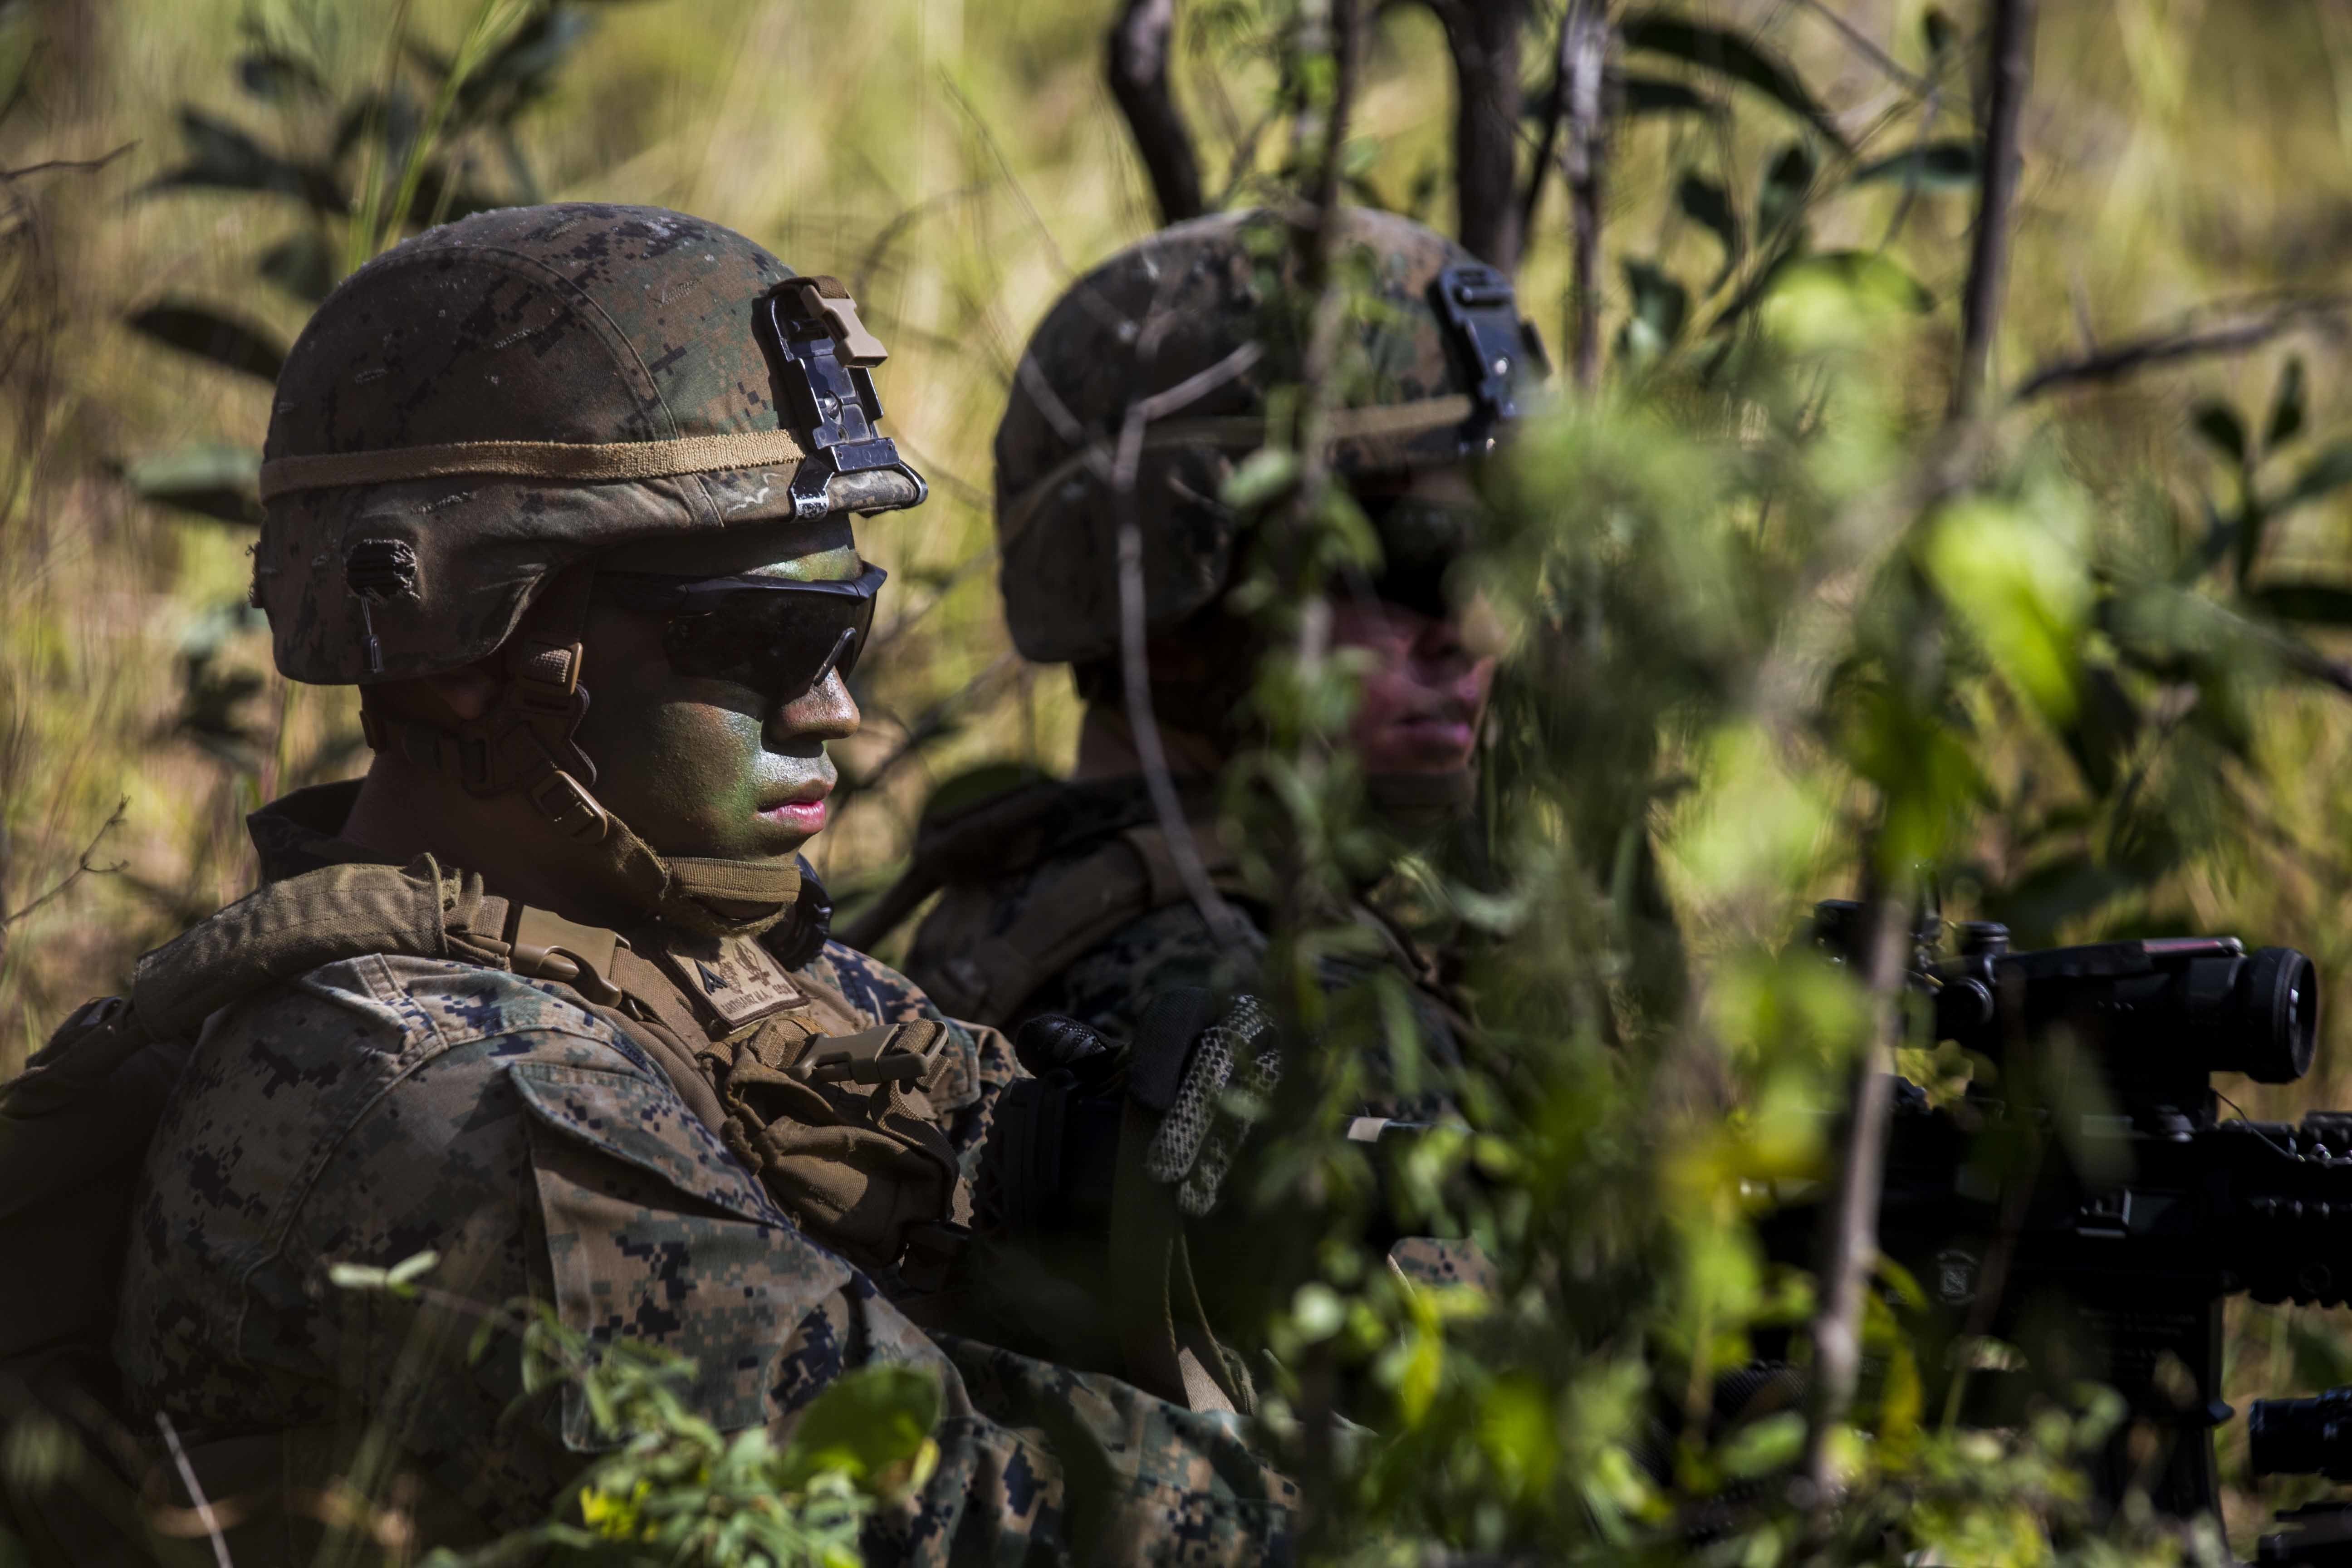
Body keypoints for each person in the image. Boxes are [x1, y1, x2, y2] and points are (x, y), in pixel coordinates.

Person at [53, 203, 1294, 1564]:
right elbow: (963, 1518)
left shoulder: (713, 957)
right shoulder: (444, 1096)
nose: (836, 712)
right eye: (765, 637)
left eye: (851, 627)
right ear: (472, 651)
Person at [872, 209, 1544, 1104]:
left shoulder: (1011, 892)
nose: (1478, 629)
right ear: (1173, 614)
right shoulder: (1300, 1021)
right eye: (1413, 557)